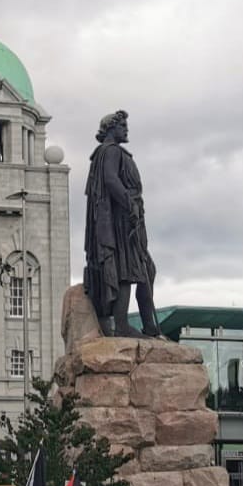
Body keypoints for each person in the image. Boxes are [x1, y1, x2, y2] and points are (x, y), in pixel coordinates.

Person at [83, 109, 161, 338]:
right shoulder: (111, 152)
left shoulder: (107, 153)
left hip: (126, 219)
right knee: (128, 271)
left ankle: (147, 325)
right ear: (110, 128)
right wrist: (130, 203)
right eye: (123, 126)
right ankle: (123, 324)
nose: (126, 130)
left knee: (144, 269)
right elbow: (111, 180)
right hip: (122, 221)